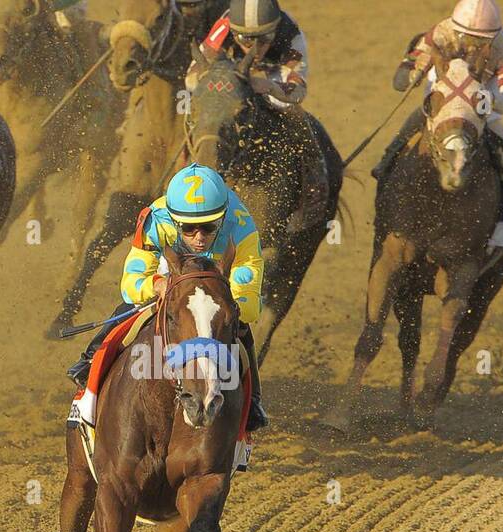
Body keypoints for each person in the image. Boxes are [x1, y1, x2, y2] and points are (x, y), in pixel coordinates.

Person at [67, 163, 269, 431]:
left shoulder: (243, 229)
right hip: (172, 270)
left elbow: (249, 304)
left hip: (218, 279)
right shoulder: (156, 218)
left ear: (223, 218)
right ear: (174, 221)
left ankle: (253, 401)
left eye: (209, 228)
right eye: (188, 229)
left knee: (239, 325)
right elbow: (130, 283)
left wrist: (221, 302)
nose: (199, 238)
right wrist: (156, 285)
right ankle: (91, 367)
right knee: (130, 307)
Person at [384, 0, 503, 219]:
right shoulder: (440, 33)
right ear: (455, 30)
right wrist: (414, 72)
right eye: (469, 38)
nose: (474, 46)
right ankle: (385, 172)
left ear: (493, 37)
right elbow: (399, 82)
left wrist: (484, 99)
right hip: (440, 104)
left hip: (483, 105)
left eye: (482, 41)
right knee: (406, 135)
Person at [186, 0, 326, 205]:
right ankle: (182, 163)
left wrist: (270, 87)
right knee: (199, 108)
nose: (256, 47)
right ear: (233, 32)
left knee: (292, 111)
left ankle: (315, 168)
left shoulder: (291, 34)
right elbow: (191, 77)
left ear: (276, 30)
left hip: (272, 77)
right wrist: (220, 80)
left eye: (265, 38)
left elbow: (298, 91)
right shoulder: (224, 24)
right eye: (245, 38)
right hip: (229, 77)